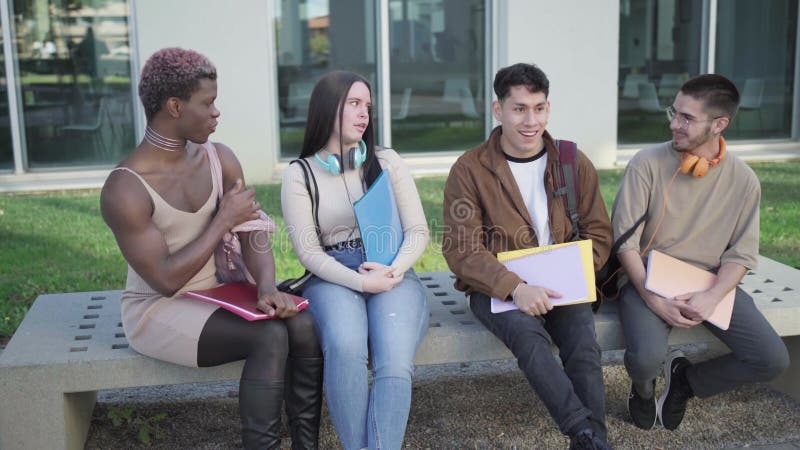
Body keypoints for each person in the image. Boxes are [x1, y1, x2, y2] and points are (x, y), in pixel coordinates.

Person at [100, 48, 322, 450]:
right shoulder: (126, 188)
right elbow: (165, 280)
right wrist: (222, 220)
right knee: (269, 336)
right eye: (208, 103)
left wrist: (266, 287)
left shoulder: (220, 159)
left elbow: (252, 230)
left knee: (302, 324)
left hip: (222, 292)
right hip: (159, 307)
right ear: (175, 106)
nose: (216, 112)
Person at [442, 63, 613, 450]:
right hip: (495, 287)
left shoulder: (572, 161)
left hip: (563, 282)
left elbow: (600, 233)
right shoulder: (469, 170)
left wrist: (572, 273)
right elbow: (462, 249)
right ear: (498, 110)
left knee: (583, 345)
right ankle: (584, 431)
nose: (530, 121)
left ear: (548, 108)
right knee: (528, 336)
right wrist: (515, 287)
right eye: (519, 109)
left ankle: (592, 441)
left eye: (538, 108)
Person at [611, 74, 789, 431]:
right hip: (646, 276)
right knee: (646, 359)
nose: (674, 124)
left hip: (708, 282)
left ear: (719, 124)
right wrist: (652, 297)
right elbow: (624, 243)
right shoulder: (646, 163)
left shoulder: (744, 181)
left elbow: (740, 255)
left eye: (687, 118)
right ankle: (643, 389)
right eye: (674, 112)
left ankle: (686, 381)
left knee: (771, 359)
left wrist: (712, 296)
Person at [281, 70, 430, 450]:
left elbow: (418, 231)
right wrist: (362, 282)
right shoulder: (300, 175)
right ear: (327, 108)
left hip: (391, 268)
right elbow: (308, 252)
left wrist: (393, 269)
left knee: (394, 359)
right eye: (354, 104)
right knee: (346, 346)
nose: (364, 113)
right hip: (332, 275)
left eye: (367, 105)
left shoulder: (386, 161)